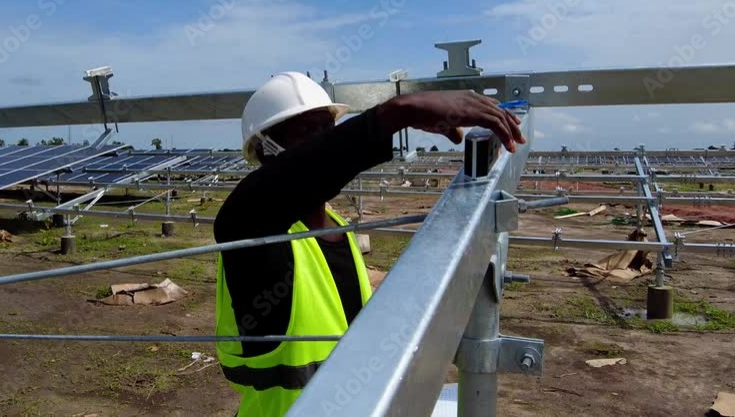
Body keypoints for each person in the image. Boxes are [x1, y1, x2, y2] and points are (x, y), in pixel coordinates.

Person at [214, 72, 525, 416]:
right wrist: (397, 113)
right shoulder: (256, 238)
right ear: (267, 151)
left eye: (326, 129)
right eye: (306, 133)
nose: (323, 141)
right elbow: (246, 210)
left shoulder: (338, 228)